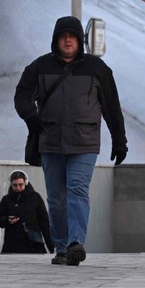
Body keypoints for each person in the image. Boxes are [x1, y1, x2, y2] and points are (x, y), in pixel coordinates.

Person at [14, 15, 127, 266]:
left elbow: (112, 108)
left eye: (73, 36)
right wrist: (32, 117)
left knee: (77, 190)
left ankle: (76, 243)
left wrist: (120, 141)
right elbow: (21, 95)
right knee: (56, 197)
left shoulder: (97, 69)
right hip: (50, 141)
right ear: (55, 40)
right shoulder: (39, 67)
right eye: (63, 36)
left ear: (80, 40)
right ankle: (62, 247)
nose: (68, 40)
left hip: (84, 142)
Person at [0, 169, 52, 254]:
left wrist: (51, 246)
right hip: (12, 246)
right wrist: (7, 220)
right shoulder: (6, 200)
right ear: (11, 184)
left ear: (26, 183)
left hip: (34, 245)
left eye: (21, 185)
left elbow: (44, 223)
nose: (18, 188)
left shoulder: (35, 198)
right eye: (15, 185)